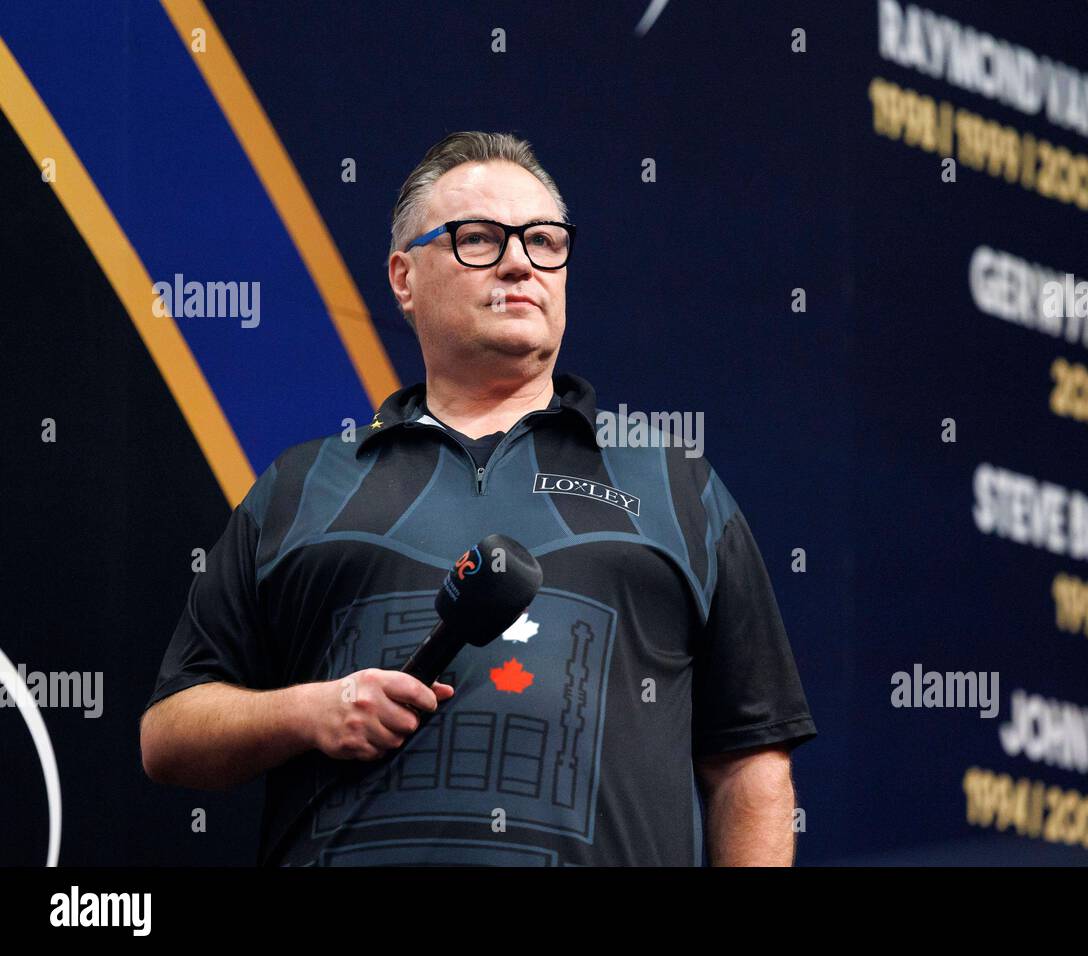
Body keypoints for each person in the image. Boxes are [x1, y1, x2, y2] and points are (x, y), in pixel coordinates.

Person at [140, 131, 817, 866]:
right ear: (404, 277)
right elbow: (170, 736)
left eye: (544, 240)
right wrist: (311, 709)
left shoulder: (678, 486)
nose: (521, 262)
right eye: (479, 239)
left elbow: (750, 765)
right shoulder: (302, 486)